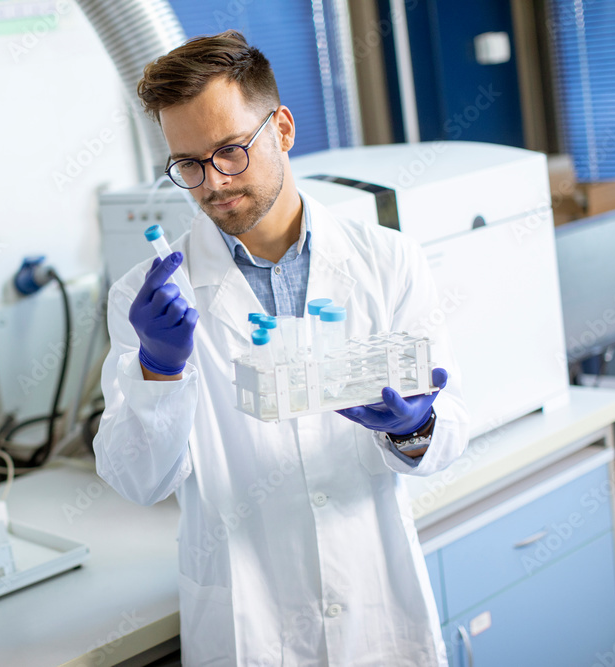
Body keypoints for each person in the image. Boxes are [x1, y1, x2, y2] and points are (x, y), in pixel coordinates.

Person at [93, 30, 470, 666]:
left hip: (375, 610)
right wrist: (158, 372)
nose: (213, 182)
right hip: (250, 624)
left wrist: (414, 428)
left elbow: (451, 425)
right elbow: (138, 480)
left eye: (229, 151)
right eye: (189, 165)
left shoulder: (386, 261)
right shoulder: (146, 298)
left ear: (284, 129)